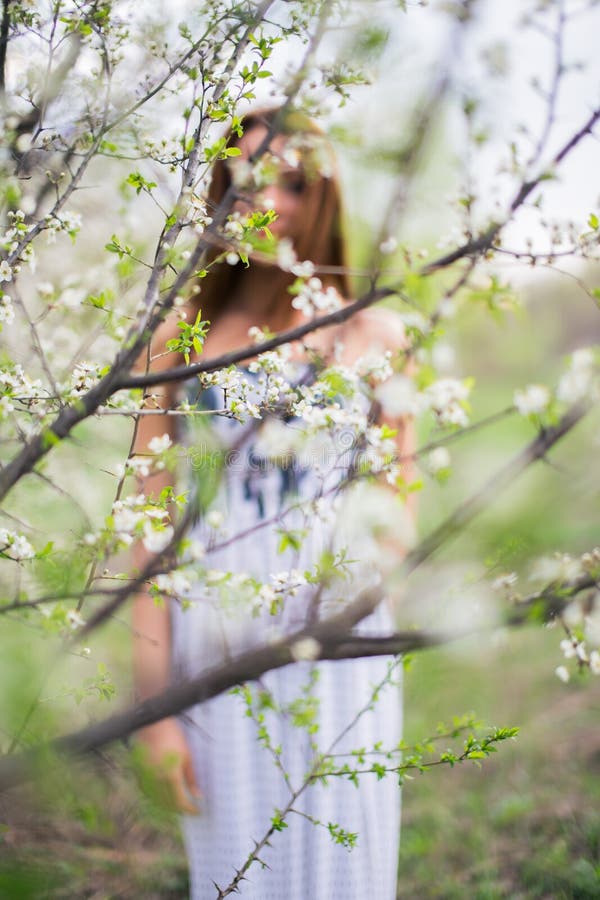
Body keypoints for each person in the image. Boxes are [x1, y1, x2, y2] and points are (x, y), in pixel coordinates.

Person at [132, 107, 415, 899]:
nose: (269, 203)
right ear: (220, 190)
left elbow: (400, 504)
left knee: (340, 866)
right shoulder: (178, 340)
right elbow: (148, 532)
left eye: (293, 182)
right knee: (235, 866)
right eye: (247, 179)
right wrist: (154, 710)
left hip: (335, 636)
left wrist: (351, 608)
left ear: (322, 194)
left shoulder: (372, 334)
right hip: (212, 634)